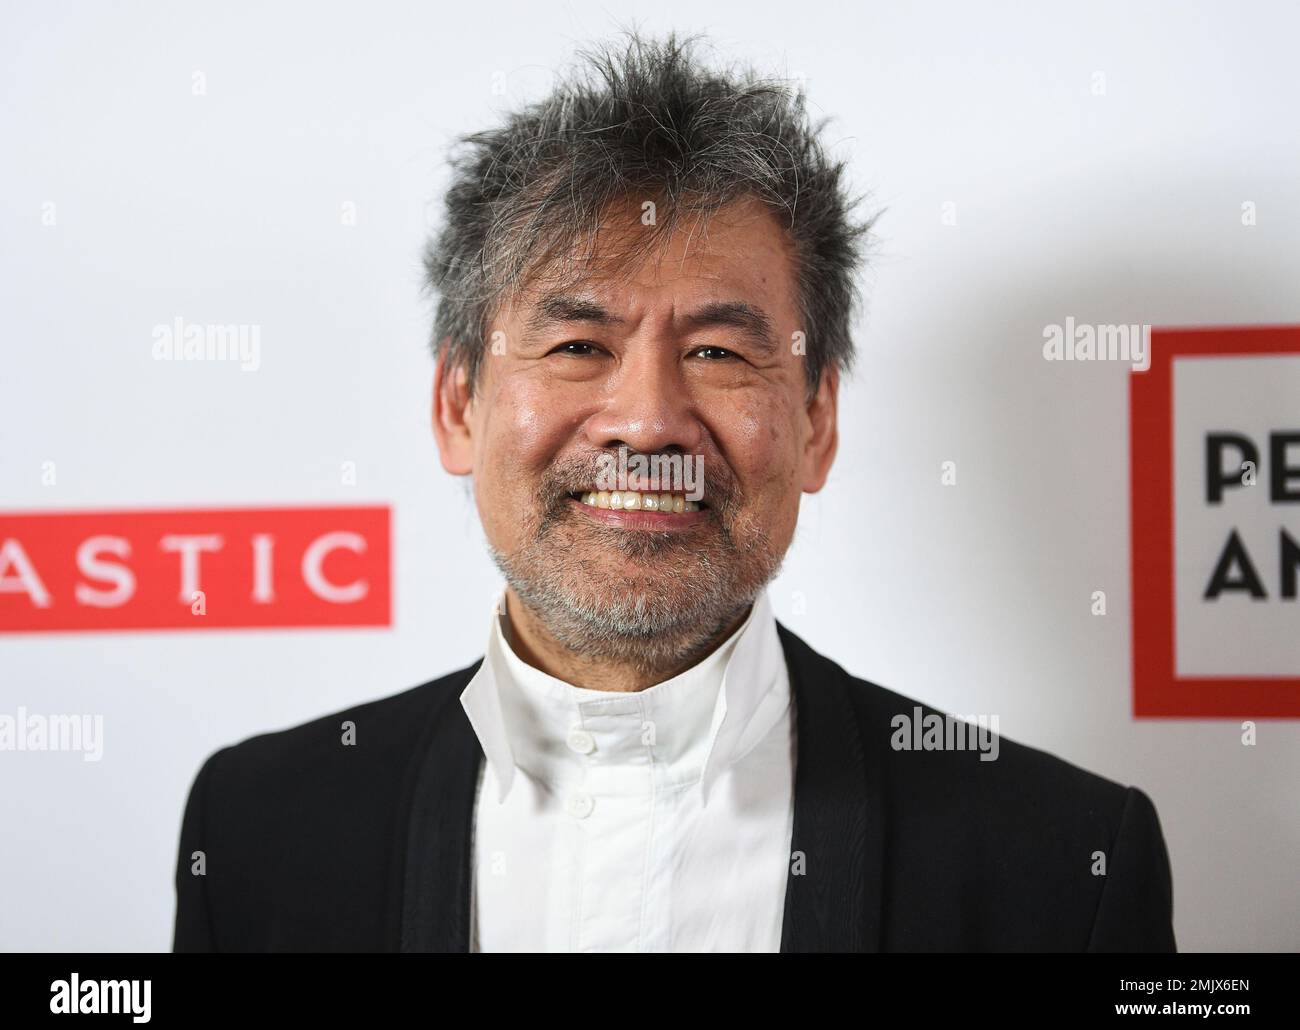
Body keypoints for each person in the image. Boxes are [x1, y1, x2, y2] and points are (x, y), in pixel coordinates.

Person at [172, 30, 1175, 953]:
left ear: (817, 420)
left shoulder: (1060, 862)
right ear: (457, 404)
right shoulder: (260, 828)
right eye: (577, 345)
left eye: (716, 349)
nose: (646, 418)